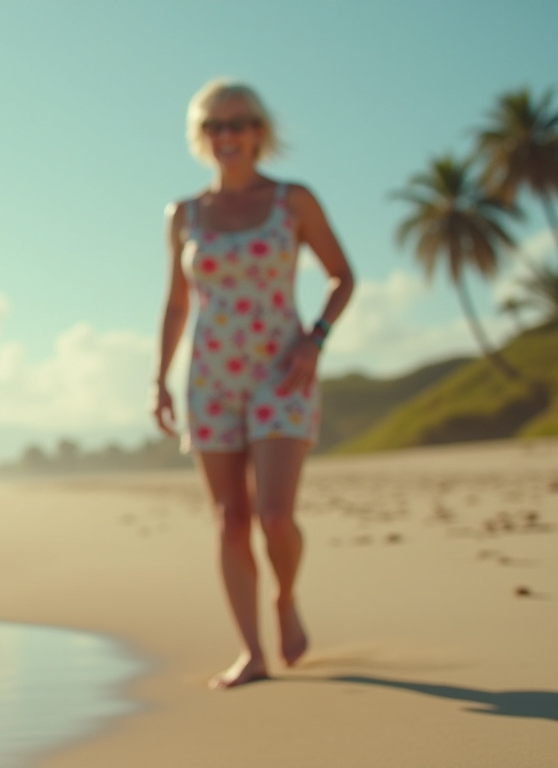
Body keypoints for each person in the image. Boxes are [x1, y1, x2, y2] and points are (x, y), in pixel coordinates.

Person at [152, 80, 354, 689]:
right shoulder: (183, 215)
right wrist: (158, 380)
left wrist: (313, 340)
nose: (227, 135)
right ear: (200, 136)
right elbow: (176, 304)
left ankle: (284, 596)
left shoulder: (293, 201)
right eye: (214, 125)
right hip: (209, 378)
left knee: (272, 515)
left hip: (281, 372)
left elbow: (341, 276)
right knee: (229, 519)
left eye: (237, 122)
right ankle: (251, 653)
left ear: (258, 130)